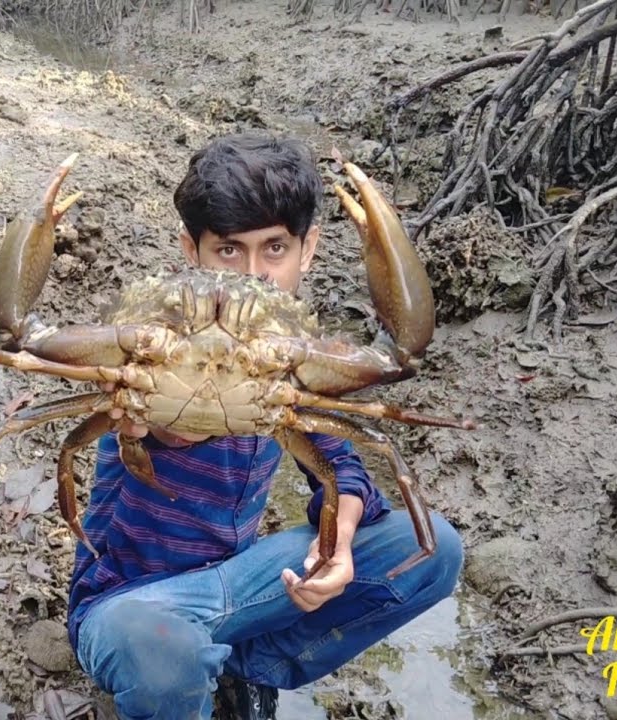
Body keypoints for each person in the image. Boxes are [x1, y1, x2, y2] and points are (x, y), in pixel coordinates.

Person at [64, 133, 464, 720]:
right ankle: (183, 671)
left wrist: (341, 546)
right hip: (130, 608)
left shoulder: (295, 363)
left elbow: (344, 463)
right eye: (229, 250)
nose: (255, 274)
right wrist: (165, 426)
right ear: (191, 251)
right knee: (155, 645)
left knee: (434, 548)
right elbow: (112, 411)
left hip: (236, 587)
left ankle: (245, 663)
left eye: (275, 248)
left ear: (309, 250)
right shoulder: (142, 353)